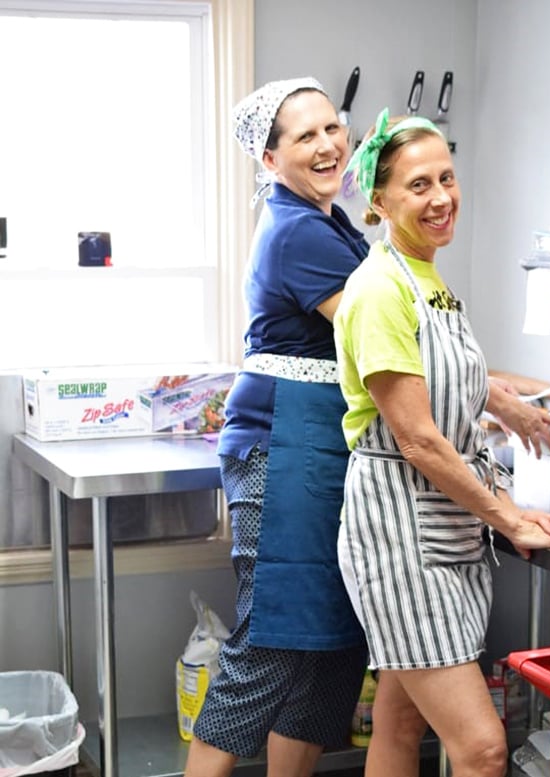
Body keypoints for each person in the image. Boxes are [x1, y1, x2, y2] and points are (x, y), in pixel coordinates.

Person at [333, 108, 550, 777]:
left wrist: (508, 416)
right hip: (399, 535)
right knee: (480, 747)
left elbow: (450, 393)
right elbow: (418, 438)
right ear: (382, 200)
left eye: (447, 177)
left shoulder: (432, 282)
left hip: (445, 525)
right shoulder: (379, 288)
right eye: (419, 185)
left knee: (399, 717)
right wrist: (508, 517)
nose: (442, 197)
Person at [183, 77, 370, 777]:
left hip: (323, 448)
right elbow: (379, 339)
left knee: (331, 647)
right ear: (270, 159)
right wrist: (494, 391)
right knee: (272, 640)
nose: (327, 145)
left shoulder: (327, 220)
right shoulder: (297, 231)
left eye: (332, 128)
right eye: (304, 136)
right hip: (285, 447)